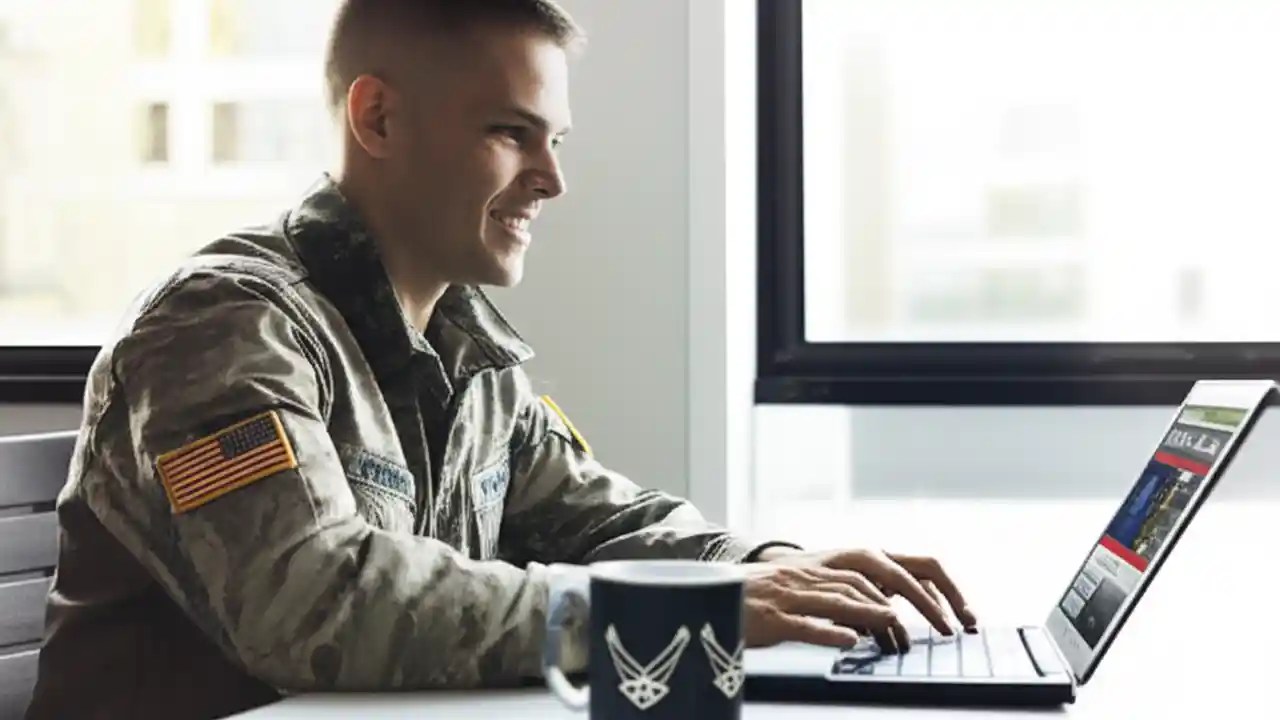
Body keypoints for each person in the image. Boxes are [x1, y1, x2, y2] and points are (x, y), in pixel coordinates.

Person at [26, 1, 976, 718]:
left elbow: (599, 522)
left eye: (553, 140)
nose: (553, 179)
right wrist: (697, 612)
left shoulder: (465, 350)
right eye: (510, 132)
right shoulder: (224, 327)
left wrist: (772, 568)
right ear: (379, 120)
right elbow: (317, 601)